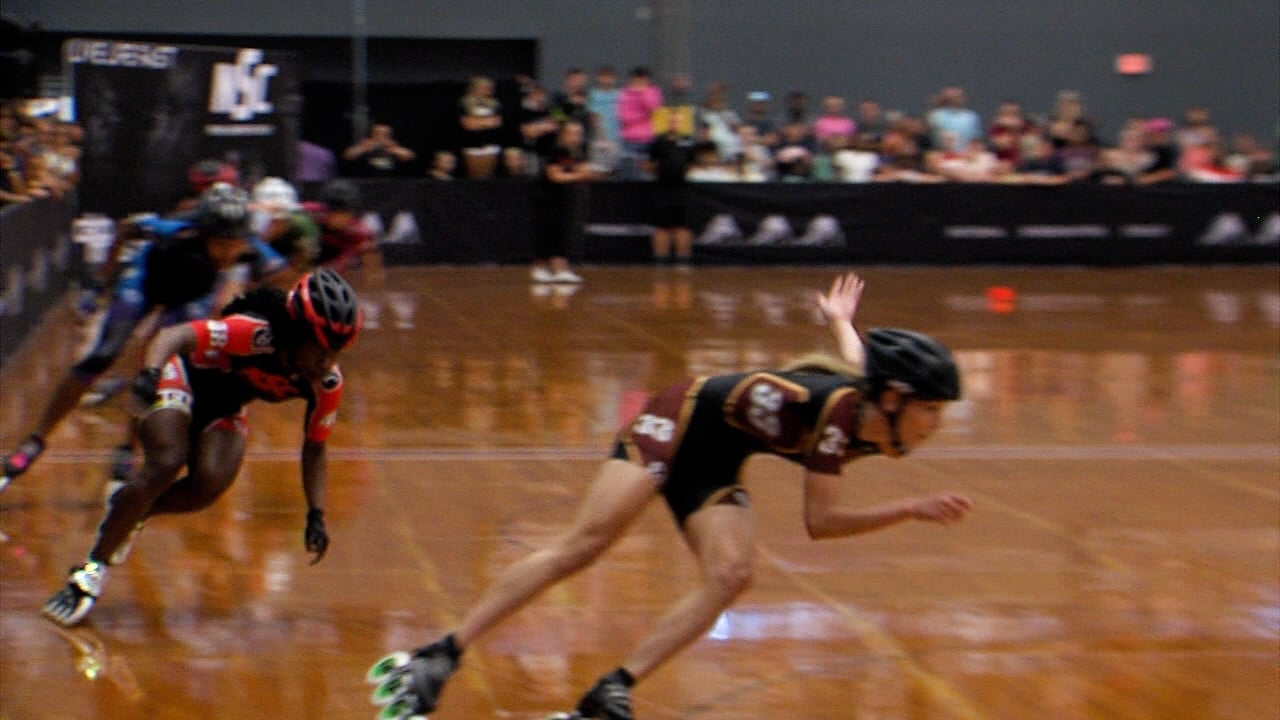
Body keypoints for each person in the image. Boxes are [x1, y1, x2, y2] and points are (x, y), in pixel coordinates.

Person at [366, 272, 974, 720]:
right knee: (585, 546)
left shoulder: (871, 400)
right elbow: (822, 521)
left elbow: (856, 357)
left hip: (718, 455)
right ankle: (439, 655)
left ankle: (611, 692)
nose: (935, 426)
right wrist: (910, 510)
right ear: (892, 399)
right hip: (676, 421)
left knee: (732, 574)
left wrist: (840, 319)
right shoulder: (842, 417)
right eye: (930, 411)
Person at [42, 269, 362, 627]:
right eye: (319, 349)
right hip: (182, 375)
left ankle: (131, 512)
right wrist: (149, 374)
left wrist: (315, 512)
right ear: (295, 332)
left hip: (225, 404)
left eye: (336, 351)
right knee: (166, 462)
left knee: (210, 485)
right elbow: (173, 335)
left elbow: (315, 448)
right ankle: (90, 572)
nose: (327, 362)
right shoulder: (255, 333)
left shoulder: (327, 383)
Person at [1, 183, 289, 492]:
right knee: (103, 354)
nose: (227, 252)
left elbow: (286, 278)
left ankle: (128, 448)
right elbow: (126, 229)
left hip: (187, 296)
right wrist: (103, 280)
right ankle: (36, 439)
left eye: (235, 245)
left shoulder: (253, 248)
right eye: (219, 243)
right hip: (144, 282)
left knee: (160, 370)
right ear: (203, 232)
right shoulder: (176, 230)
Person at [530, 121, 595, 284]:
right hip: (548, 198)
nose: (577, 137)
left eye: (579, 134)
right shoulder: (556, 152)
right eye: (573, 133)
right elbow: (555, 176)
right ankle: (559, 268)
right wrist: (578, 176)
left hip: (566, 198)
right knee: (553, 231)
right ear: (563, 135)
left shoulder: (578, 153)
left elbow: (585, 170)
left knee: (560, 231)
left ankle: (540, 267)